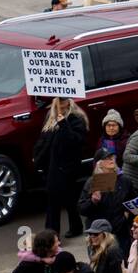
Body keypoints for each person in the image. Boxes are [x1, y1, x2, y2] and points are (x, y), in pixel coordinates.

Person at [33, 98, 89, 238]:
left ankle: (51, 235)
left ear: (68, 104)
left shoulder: (76, 119)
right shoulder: (50, 117)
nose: (60, 106)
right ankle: (76, 227)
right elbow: (44, 139)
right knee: (69, 198)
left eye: (63, 103)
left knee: (54, 201)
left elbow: (75, 141)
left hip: (67, 165)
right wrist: (37, 155)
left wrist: (63, 124)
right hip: (52, 165)